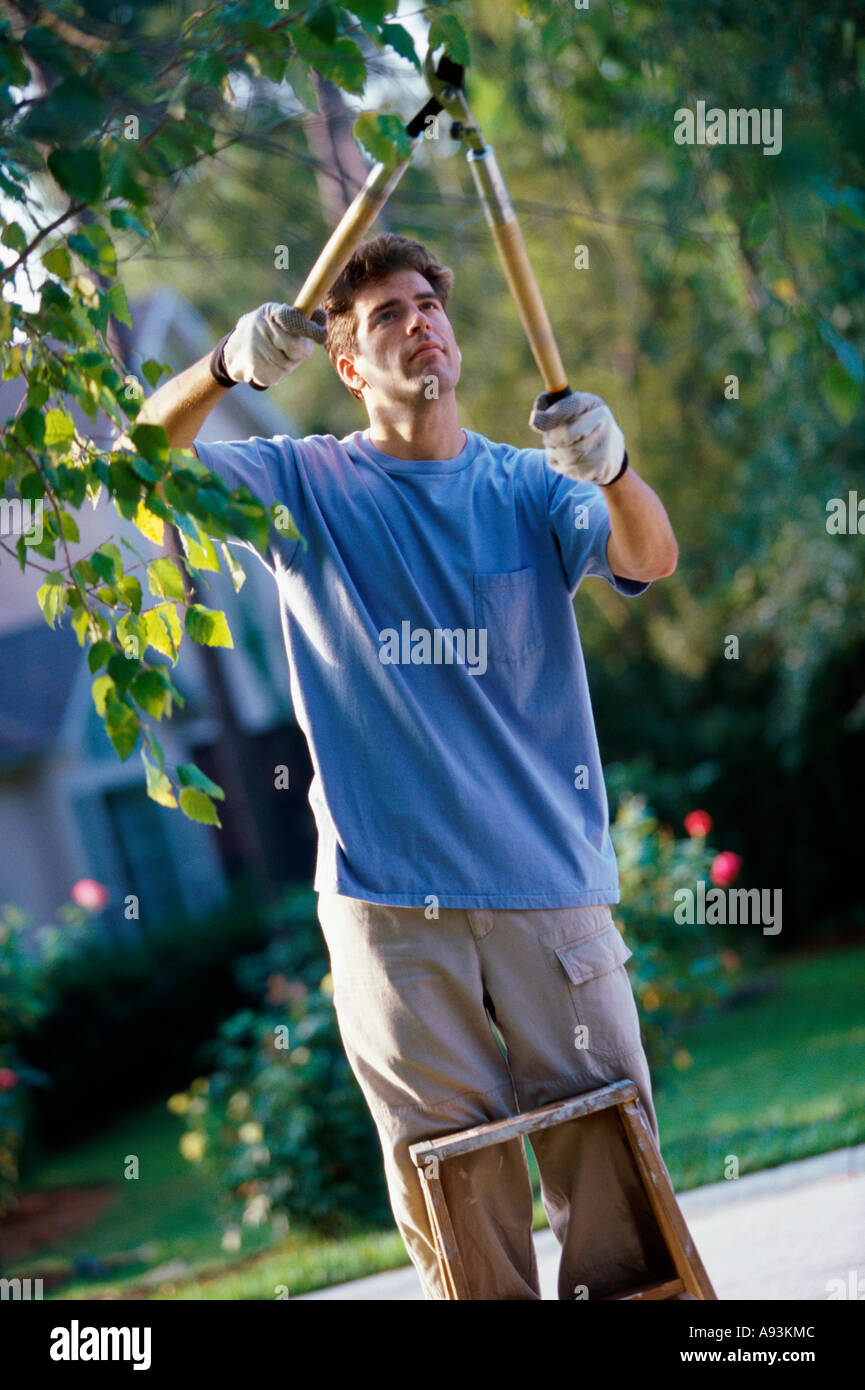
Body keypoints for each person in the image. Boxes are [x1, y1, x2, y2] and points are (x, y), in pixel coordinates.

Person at [128, 232, 680, 1300]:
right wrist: (220, 372)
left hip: (549, 894)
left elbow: (648, 554)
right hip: (389, 910)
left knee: (615, 1176)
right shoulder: (302, 485)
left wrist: (613, 470)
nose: (420, 320)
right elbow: (140, 471)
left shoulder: (532, 486)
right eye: (386, 314)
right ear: (345, 364)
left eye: (429, 303)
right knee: (456, 1195)